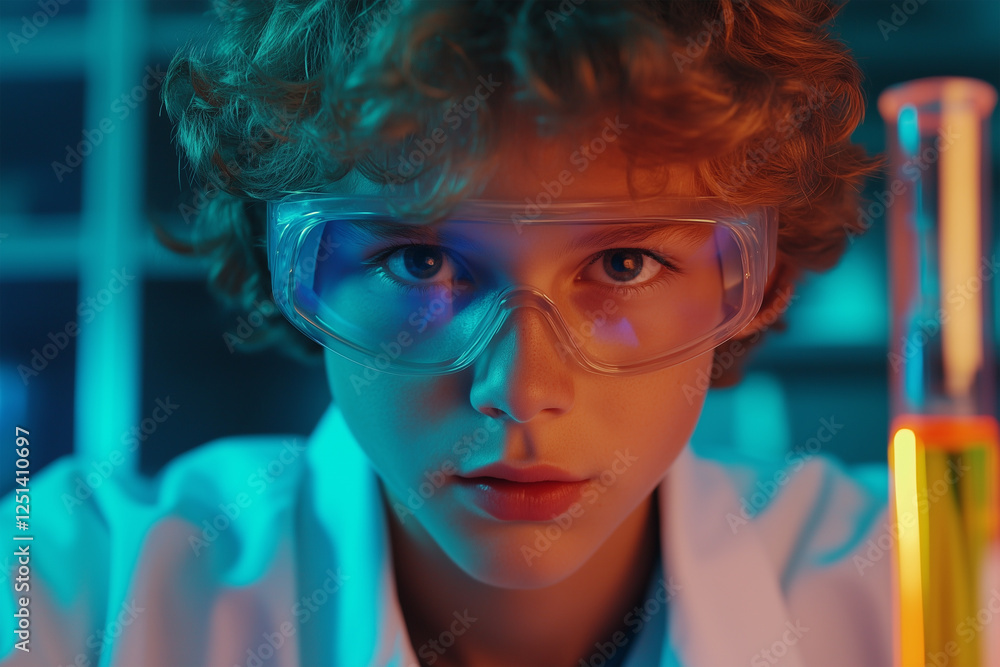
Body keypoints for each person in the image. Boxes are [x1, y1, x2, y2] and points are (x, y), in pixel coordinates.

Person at [1, 1, 895, 665]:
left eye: (624, 263)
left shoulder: (921, 589)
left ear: (758, 279)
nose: (518, 386)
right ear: (287, 268)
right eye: (421, 264)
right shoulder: (71, 592)